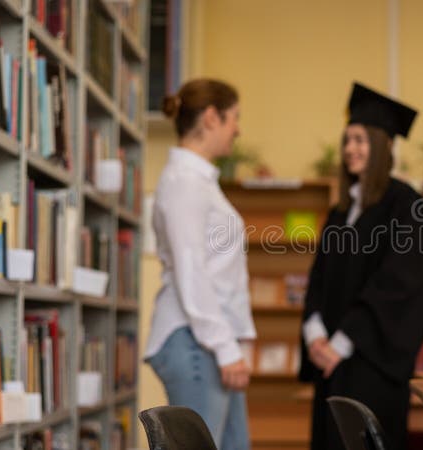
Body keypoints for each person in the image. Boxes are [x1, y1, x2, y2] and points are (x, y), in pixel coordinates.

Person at [299, 82, 423, 449]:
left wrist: (340, 343)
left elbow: (397, 284)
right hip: (331, 363)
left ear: (381, 145)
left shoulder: (407, 206)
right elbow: (319, 279)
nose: (350, 150)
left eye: (360, 140)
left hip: (371, 364)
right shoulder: (341, 211)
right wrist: (315, 335)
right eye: (347, 140)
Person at [144, 79, 255, 450]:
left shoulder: (200, 181)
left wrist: (236, 344)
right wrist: (227, 348)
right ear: (211, 117)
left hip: (209, 342)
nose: (237, 129)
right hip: (196, 343)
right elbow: (192, 271)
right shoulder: (184, 183)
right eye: (234, 118)